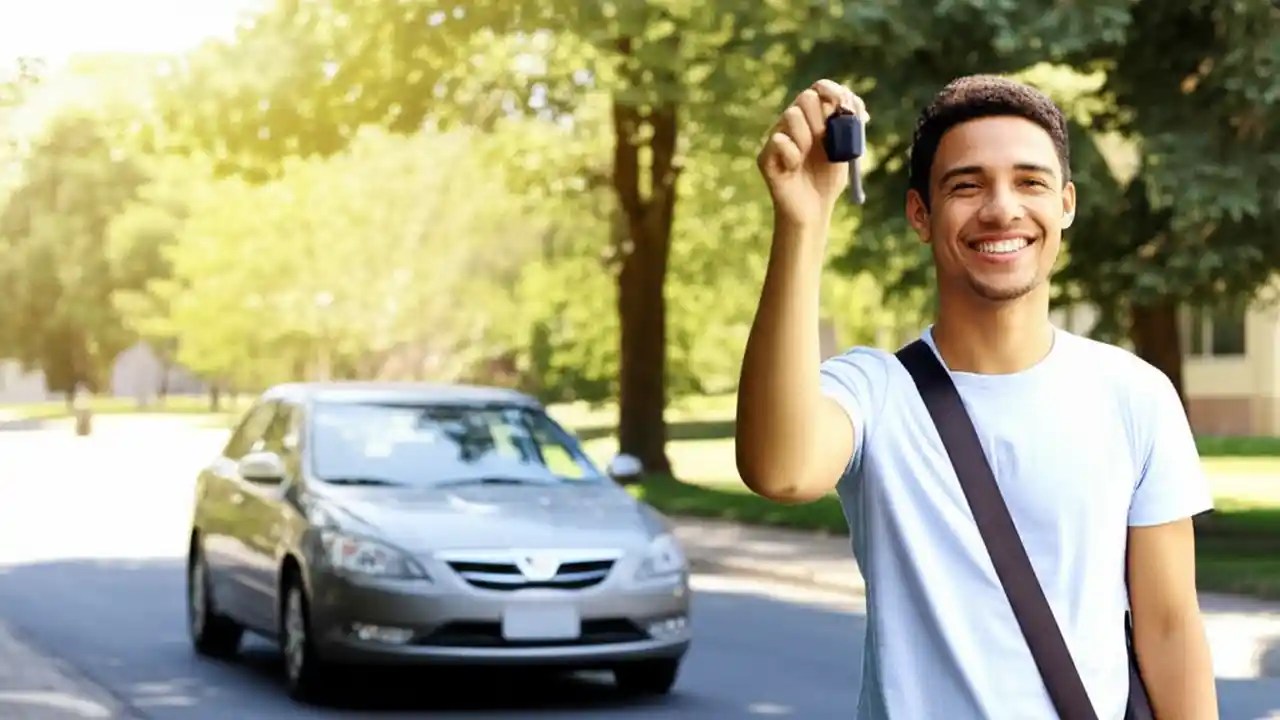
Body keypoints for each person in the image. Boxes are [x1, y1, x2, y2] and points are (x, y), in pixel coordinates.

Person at [736, 75, 1219, 719]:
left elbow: (1168, 628)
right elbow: (780, 470)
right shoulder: (876, 394)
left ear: (1066, 204)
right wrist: (802, 220)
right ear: (919, 214)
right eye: (966, 185)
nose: (1001, 209)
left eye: (1030, 181)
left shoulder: (1134, 394)